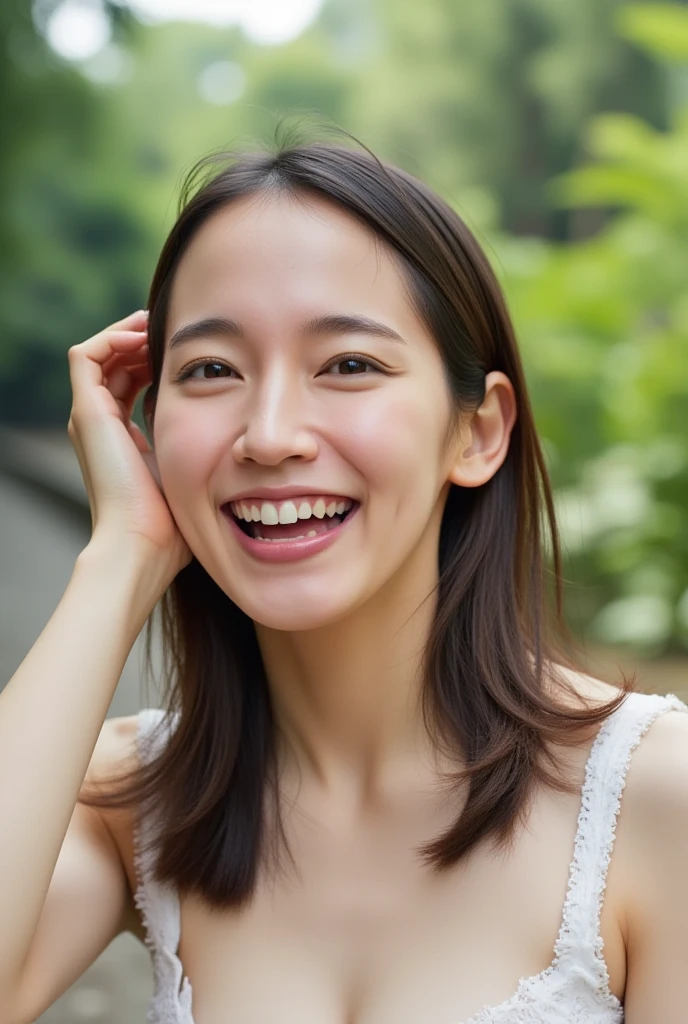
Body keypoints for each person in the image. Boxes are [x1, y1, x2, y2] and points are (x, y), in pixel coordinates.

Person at [1, 135, 687, 1024]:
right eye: (212, 370)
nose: (271, 433)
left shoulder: (654, 800)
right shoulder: (137, 799)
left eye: (349, 365)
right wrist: (120, 557)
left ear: (478, 432)